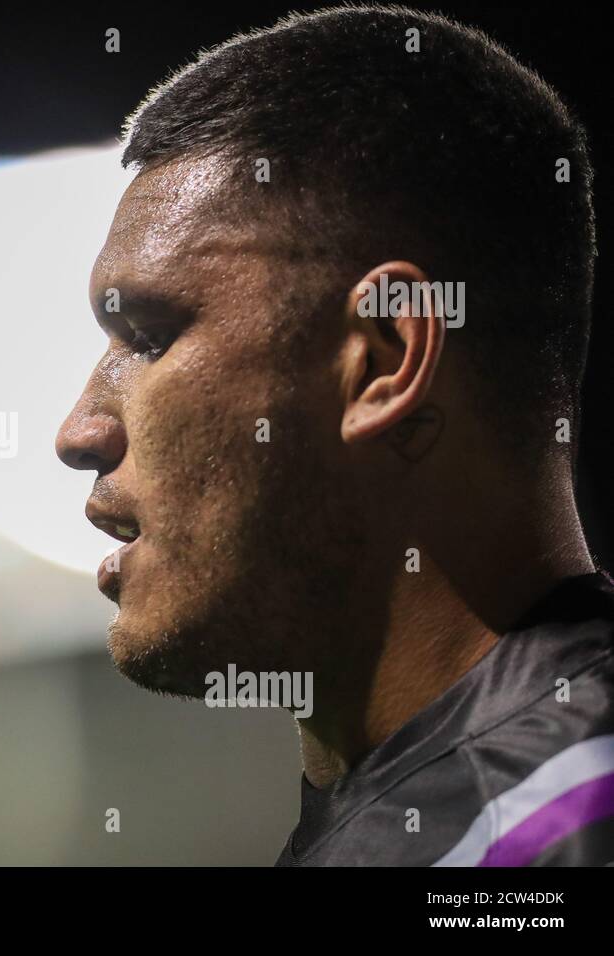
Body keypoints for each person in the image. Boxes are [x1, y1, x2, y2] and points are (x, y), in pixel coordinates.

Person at [55, 5, 614, 865]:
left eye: (150, 336)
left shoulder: (570, 825)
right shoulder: (438, 812)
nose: (80, 431)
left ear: (386, 357)